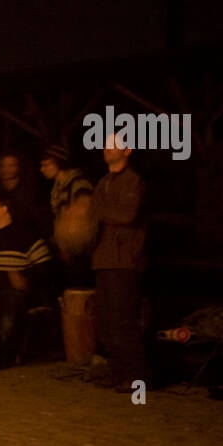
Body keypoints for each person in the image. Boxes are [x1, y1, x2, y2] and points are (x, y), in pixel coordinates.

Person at [89, 132, 148, 389]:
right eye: (105, 145)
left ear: (128, 150)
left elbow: (127, 215)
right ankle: (118, 371)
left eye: (113, 145)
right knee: (105, 321)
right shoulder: (103, 182)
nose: (106, 149)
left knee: (123, 320)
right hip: (103, 258)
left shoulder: (133, 181)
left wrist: (94, 212)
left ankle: (136, 376)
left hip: (124, 259)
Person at [0, 191, 54, 369]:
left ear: (4, 209)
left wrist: (25, 281)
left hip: (16, 293)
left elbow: (45, 273)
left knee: (7, 316)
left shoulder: (26, 236)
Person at [39, 146, 94, 290]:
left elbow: (83, 215)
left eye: (46, 165)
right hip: (66, 249)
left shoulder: (77, 184)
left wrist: (70, 245)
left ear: (60, 163)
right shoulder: (58, 187)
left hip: (80, 251)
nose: (42, 169)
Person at [0, 152, 49, 241]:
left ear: (19, 167)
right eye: (2, 165)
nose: (6, 169)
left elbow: (39, 218)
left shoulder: (29, 190)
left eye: (11, 165)